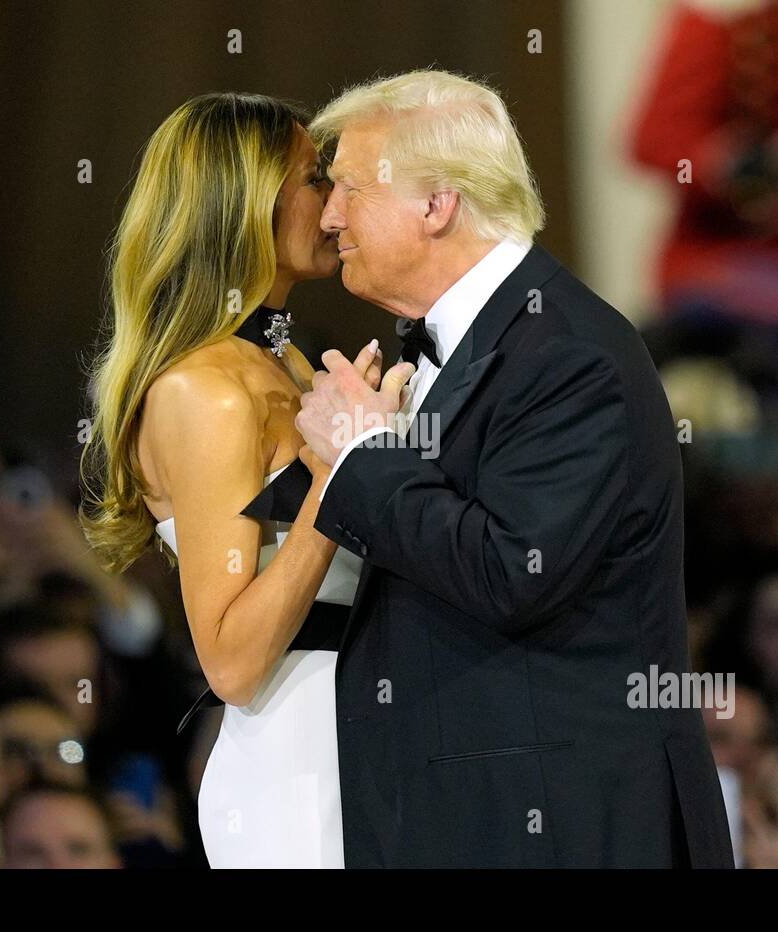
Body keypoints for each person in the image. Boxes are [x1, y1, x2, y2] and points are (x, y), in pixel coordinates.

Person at [295, 70, 735, 866]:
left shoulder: (569, 353)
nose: (329, 217)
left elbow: (513, 570)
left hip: (564, 825)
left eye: (349, 188)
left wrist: (364, 454)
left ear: (437, 204)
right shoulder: (486, 339)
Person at [80, 94, 401, 867]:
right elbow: (230, 660)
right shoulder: (204, 390)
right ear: (244, 200)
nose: (335, 207)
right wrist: (337, 477)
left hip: (362, 739)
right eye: (314, 179)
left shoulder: (283, 362)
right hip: (295, 774)